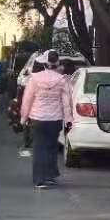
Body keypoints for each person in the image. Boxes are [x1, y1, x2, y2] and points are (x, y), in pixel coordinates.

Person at [19, 49, 73, 188]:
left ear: (44, 64)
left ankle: (39, 179)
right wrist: (68, 120)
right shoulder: (62, 80)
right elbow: (66, 103)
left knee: (39, 148)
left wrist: (24, 117)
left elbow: (27, 100)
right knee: (51, 147)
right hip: (55, 119)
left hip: (37, 118)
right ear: (57, 64)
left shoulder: (34, 79)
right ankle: (49, 176)